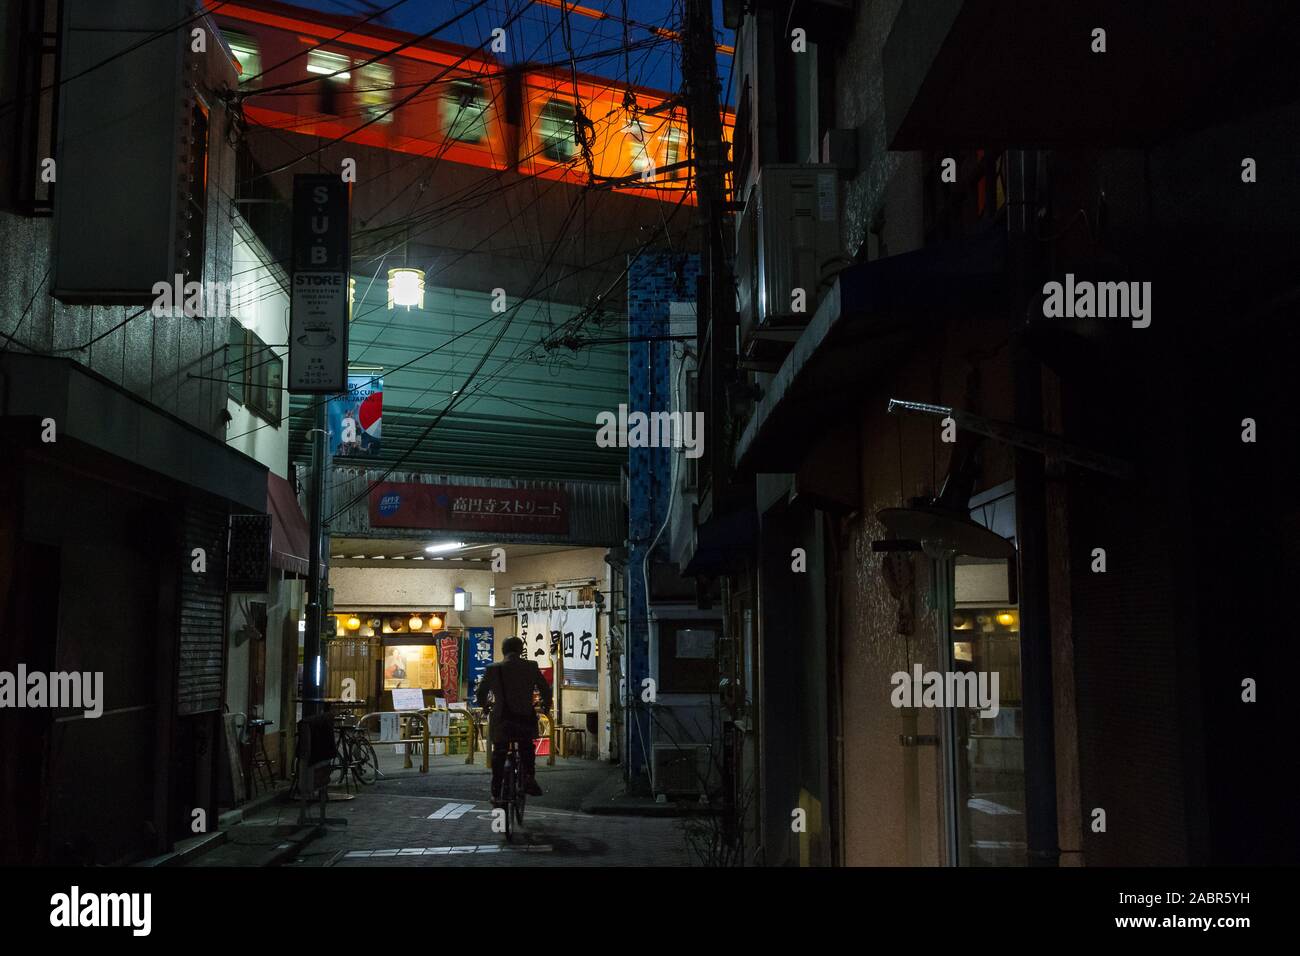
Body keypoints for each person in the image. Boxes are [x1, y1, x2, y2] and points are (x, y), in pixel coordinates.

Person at [473, 636, 551, 801]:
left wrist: (485, 705)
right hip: (525, 717)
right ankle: (529, 777)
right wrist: (546, 706)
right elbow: (545, 688)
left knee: (499, 751)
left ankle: (496, 788)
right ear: (520, 650)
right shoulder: (531, 666)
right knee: (526, 747)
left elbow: (481, 693)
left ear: (503, 650)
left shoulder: (493, 668)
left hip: (502, 719)